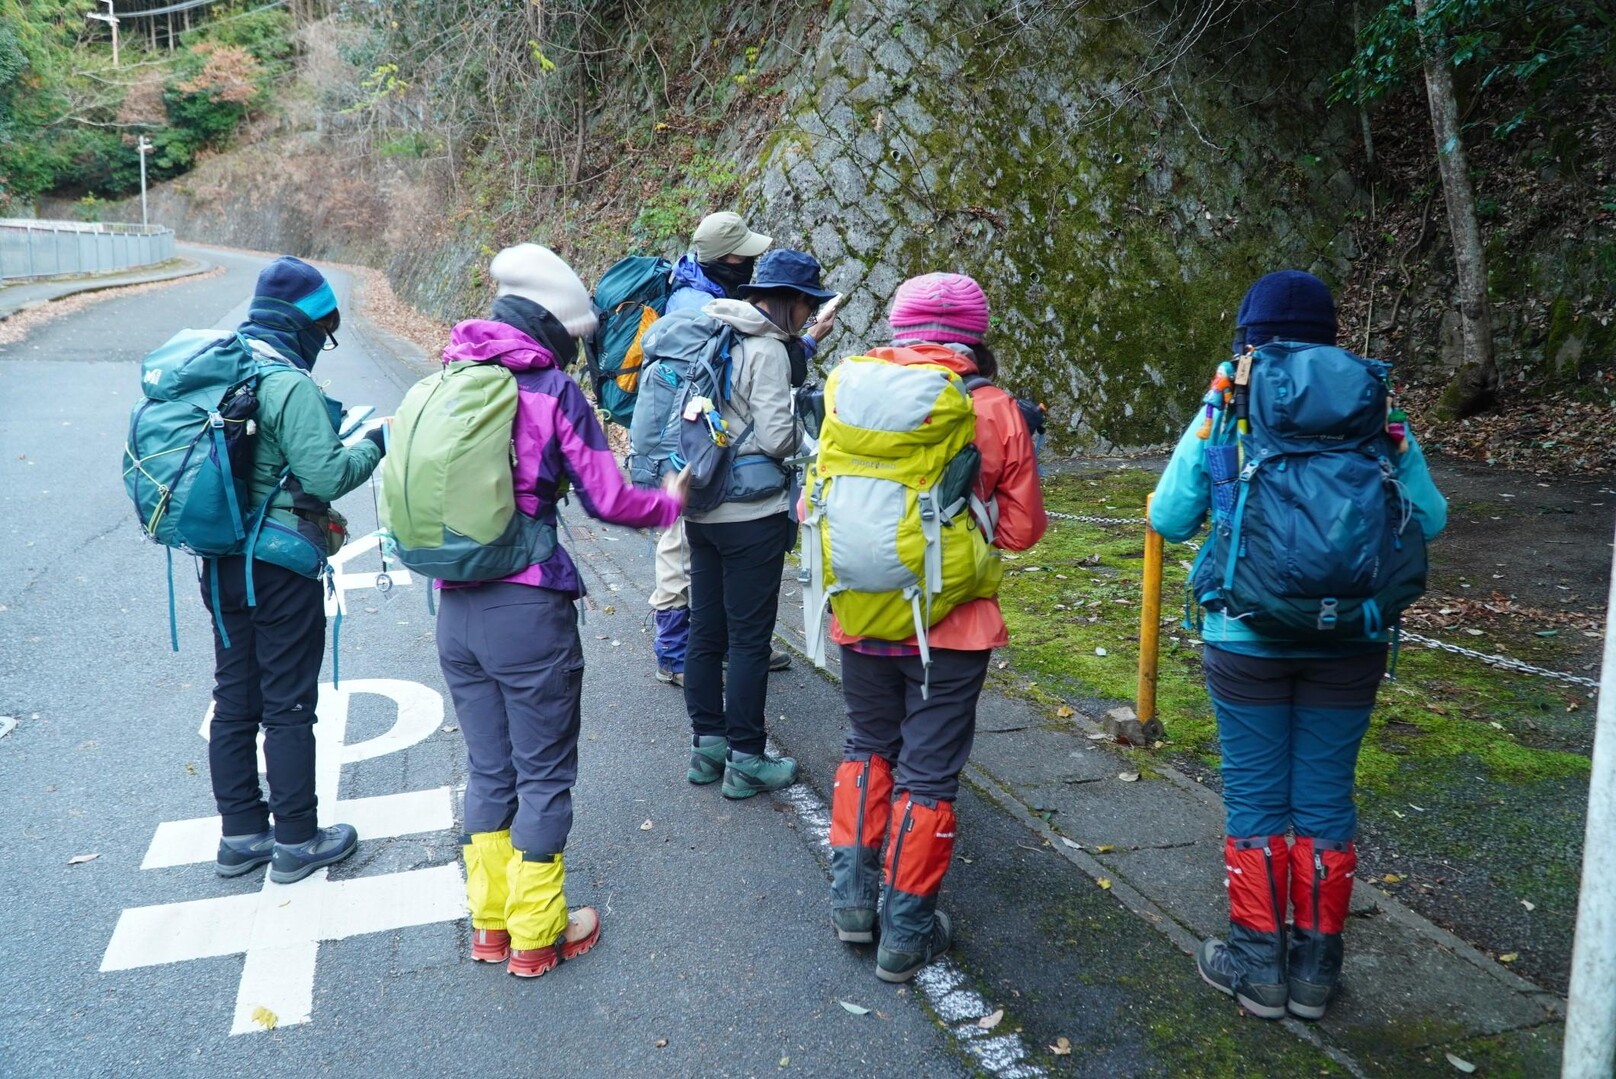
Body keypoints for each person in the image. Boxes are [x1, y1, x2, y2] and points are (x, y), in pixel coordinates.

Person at [1149, 270, 1446, 1020]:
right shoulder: (1375, 404)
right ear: (1331, 336)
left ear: (1249, 337)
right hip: (1352, 636)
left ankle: (1258, 966)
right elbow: (1431, 518)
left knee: (1256, 796)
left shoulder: (1231, 400)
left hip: (1244, 633)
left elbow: (1170, 515)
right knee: (1324, 795)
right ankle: (1315, 973)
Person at [435, 244, 687, 977]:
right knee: (543, 774)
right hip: (527, 607)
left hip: (454, 607)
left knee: (489, 769)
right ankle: (539, 933)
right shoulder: (549, 391)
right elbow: (609, 498)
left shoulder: (448, 378)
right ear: (554, 326)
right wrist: (671, 502)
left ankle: (489, 925)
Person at [825, 273, 1047, 982]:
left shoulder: (851, 393)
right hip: (952, 626)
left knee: (867, 748)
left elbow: (814, 503)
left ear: (898, 326)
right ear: (974, 335)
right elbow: (1021, 532)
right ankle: (906, 932)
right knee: (928, 773)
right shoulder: (992, 406)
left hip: (861, 607)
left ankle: (852, 904)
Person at [207, 256, 386, 884]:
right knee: (287, 703)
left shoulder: (223, 367)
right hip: (279, 565)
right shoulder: (288, 383)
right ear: (304, 324)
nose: (323, 343)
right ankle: (298, 839)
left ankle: (240, 835)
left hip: (219, 558)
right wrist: (376, 444)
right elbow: (328, 475)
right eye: (324, 330)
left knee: (235, 698)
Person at [684, 249, 835, 798]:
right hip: (750, 513)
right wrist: (811, 436)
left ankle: (708, 748)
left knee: (706, 631)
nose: (807, 314)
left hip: (702, 501)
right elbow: (775, 437)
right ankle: (746, 759)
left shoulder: (718, 330)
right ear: (791, 302)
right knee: (748, 641)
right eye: (807, 305)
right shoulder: (766, 349)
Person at [651, 212, 809, 686]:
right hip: (695, 450)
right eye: (746, 255)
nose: (752, 263)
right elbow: (746, 400)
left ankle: (703, 652)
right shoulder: (699, 304)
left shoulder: (707, 293)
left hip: (696, 445)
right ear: (726, 259)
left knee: (695, 564)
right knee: (679, 547)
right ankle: (674, 649)